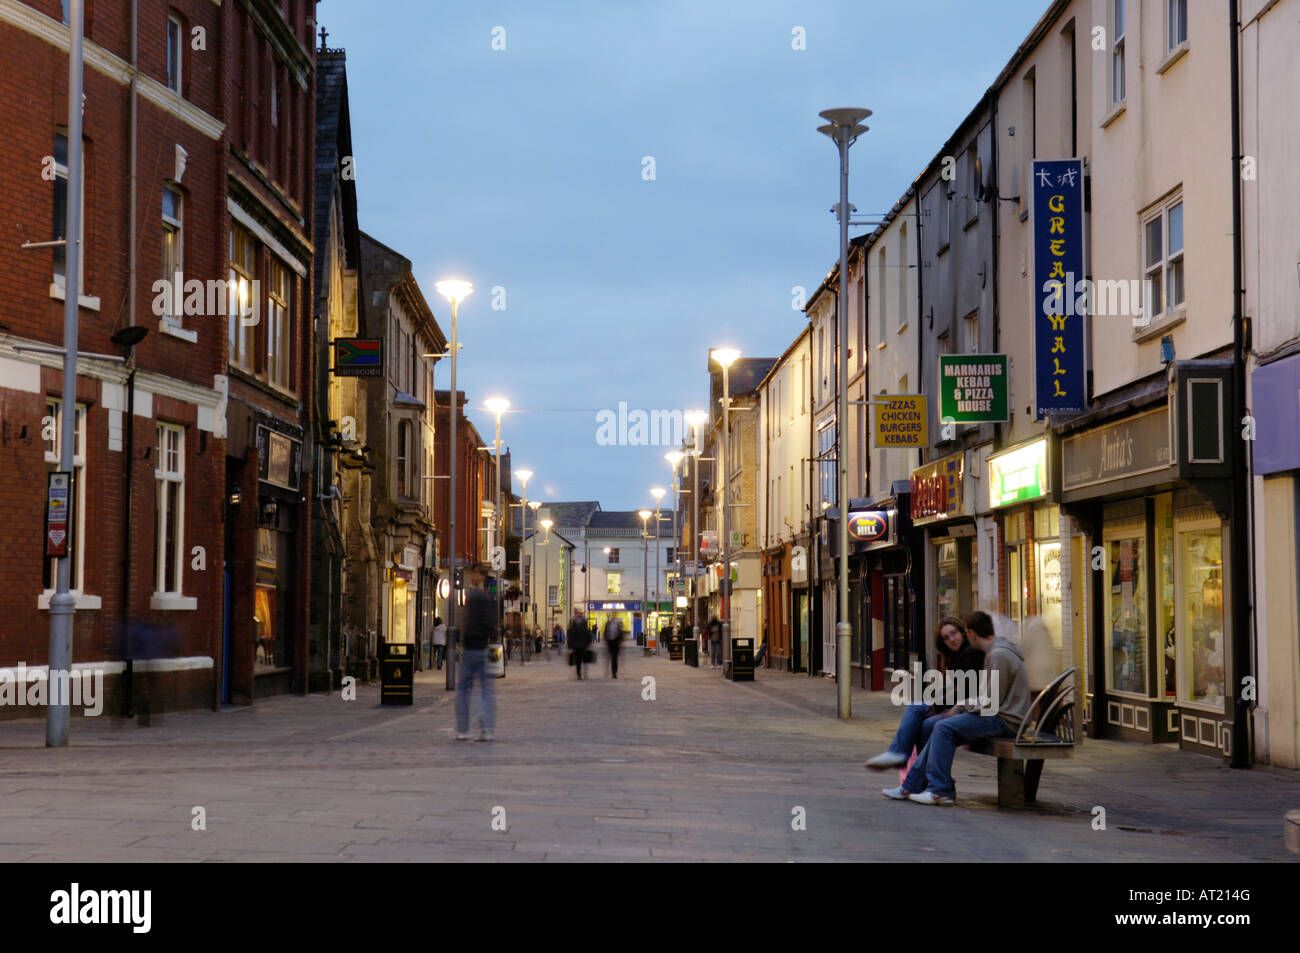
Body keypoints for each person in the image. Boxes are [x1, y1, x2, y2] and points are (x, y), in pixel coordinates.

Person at [882, 610, 1031, 805]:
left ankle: (938, 790)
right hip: (1000, 714)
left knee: (943, 727)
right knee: (933, 727)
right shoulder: (996, 652)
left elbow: (989, 701)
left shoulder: (998, 655)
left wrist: (960, 708)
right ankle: (917, 785)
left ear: (970, 633)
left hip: (1005, 720)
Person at [863, 616, 984, 770]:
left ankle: (922, 776)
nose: (952, 639)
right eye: (947, 638)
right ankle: (901, 757)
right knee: (915, 707)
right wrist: (936, 700)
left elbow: (966, 690)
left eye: (954, 633)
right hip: (960, 705)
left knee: (926, 726)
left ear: (962, 632)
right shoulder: (955, 656)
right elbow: (956, 688)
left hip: (970, 708)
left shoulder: (970, 653)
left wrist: (937, 705)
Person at [454, 565, 498, 741]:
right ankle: (487, 728)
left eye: (474, 573)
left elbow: (467, 621)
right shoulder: (489, 597)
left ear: (479, 576)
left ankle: (463, 729)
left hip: (472, 647)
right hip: (483, 647)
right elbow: (491, 623)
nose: (472, 576)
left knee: (464, 690)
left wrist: (464, 639)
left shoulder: (473, 596)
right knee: (485, 690)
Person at [568, 608, 592, 679]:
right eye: (577, 613)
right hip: (579, 645)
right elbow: (570, 635)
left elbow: (570, 634)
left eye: (578, 613)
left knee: (581, 660)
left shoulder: (579, 622)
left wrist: (588, 643)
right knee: (580, 660)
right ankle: (580, 674)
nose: (578, 614)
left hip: (581, 644)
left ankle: (581, 674)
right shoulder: (575, 622)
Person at [605, 614, 625, 678]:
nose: (613, 618)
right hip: (610, 643)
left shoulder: (618, 625)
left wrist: (621, 641)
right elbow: (605, 633)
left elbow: (621, 633)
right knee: (611, 658)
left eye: (614, 616)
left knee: (614, 659)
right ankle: (612, 672)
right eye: (612, 617)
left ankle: (614, 673)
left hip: (616, 643)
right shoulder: (607, 624)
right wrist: (606, 640)